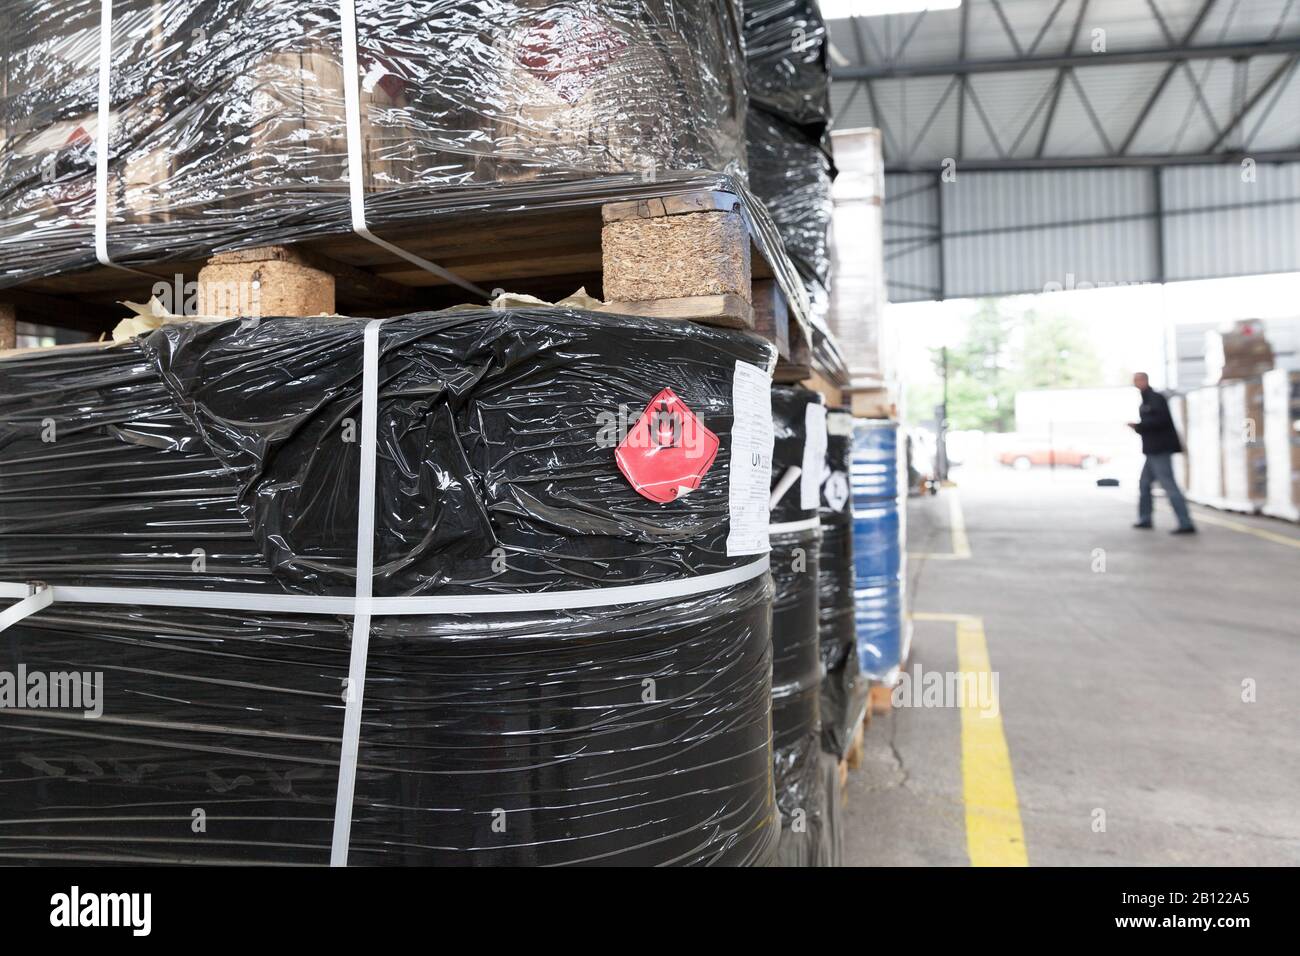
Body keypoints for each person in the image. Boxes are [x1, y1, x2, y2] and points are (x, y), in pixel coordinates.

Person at [1128, 372, 1196, 534]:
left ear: (1144, 380)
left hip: (1160, 450)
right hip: (1151, 451)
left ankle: (1186, 523)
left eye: (1138, 380)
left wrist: (1139, 426)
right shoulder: (1145, 399)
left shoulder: (1155, 398)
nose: (1136, 383)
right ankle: (1145, 519)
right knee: (1144, 484)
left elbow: (1159, 422)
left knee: (1169, 485)